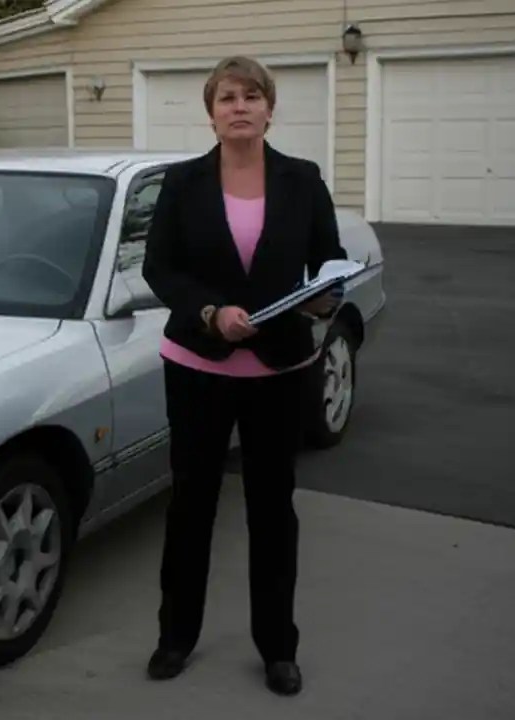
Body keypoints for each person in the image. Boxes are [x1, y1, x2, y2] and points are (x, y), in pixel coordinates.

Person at [140, 55, 347, 697]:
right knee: (192, 506)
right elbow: (160, 269)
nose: (239, 106)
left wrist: (322, 298)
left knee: (272, 509)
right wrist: (208, 312)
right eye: (227, 96)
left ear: (268, 108)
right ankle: (176, 636)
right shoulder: (182, 183)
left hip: (279, 367)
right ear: (211, 112)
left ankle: (278, 648)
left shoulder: (303, 179)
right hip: (199, 366)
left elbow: (329, 261)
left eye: (251, 95)